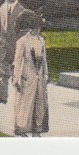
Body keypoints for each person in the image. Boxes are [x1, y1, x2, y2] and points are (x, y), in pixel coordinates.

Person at [11, 9, 50, 137]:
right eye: (36, 27)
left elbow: (44, 59)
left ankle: (37, 129)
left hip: (39, 78)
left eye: (39, 27)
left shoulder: (41, 40)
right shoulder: (23, 41)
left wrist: (45, 74)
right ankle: (22, 128)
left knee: (39, 103)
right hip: (27, 77)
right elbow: (17, 60)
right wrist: (16, 78)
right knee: (25, 103)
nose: (38, 30)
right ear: (31, 27)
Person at [0, 0, 27, 103]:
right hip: (3, 44)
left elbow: (24, 31)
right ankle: (1, 97)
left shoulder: (22, 11)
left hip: (16, 45)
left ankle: (21, 98)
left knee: (18, 72)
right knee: (1, 72)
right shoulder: (2, 8)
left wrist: (22, 46)